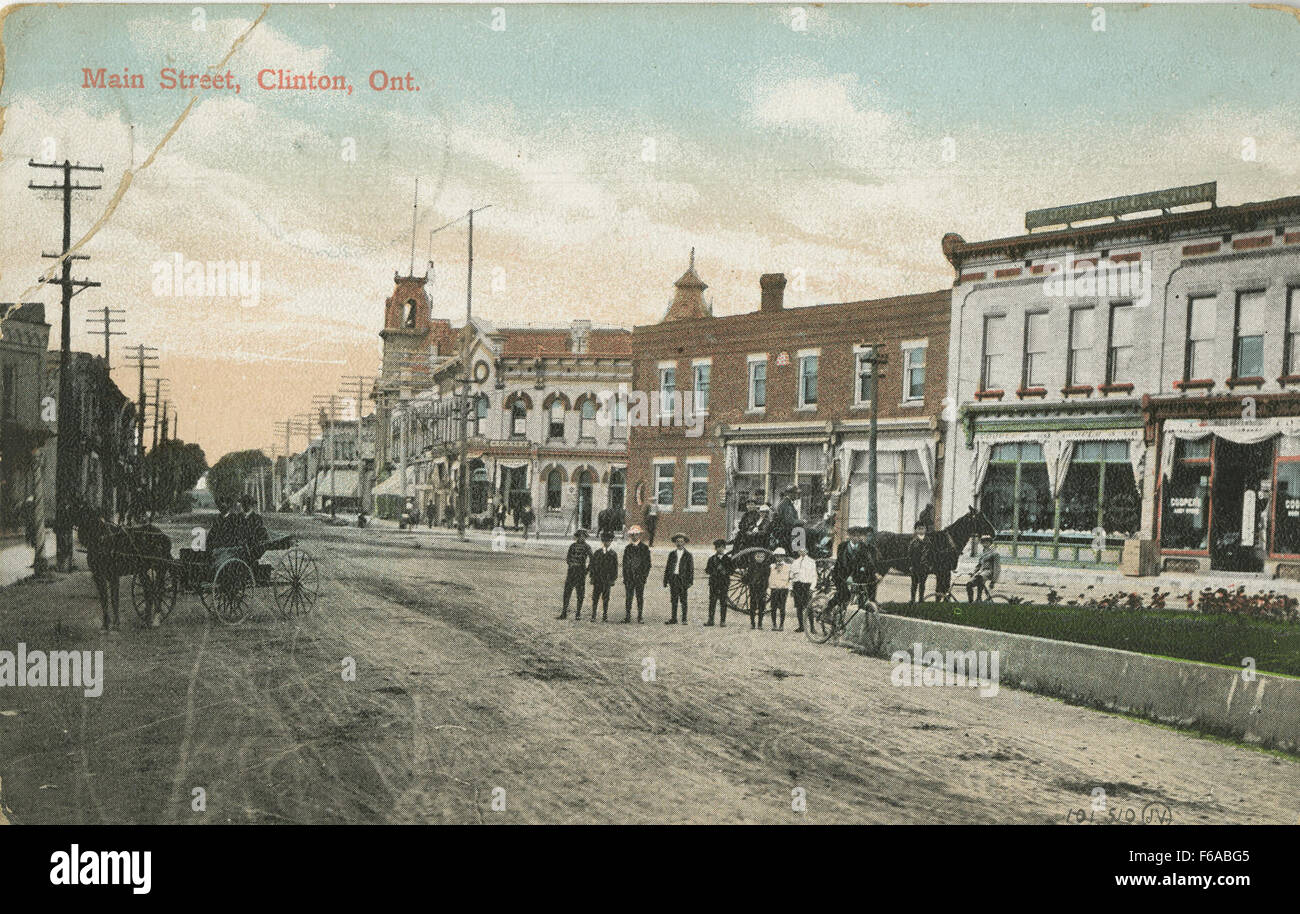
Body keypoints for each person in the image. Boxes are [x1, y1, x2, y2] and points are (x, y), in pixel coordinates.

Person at [833, 525, 877, 612]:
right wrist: (848, 576)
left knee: (866, 586)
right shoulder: (842, 546)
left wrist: (873, 572)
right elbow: (841, 563)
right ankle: (828, 609)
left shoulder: (863, 547)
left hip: (855, 575)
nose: (856, 538)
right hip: (841, 574)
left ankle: (864, 606)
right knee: (844, 594)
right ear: (849, 536)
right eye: (854, 535)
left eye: (858, 536)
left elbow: (867, 562)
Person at [557, 529, 592, 620]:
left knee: (580, 594)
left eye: (583, 536)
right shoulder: (572, 546)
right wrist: (571, 563)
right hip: (571, 572)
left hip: (580, 572)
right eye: (580, 536)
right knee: (567, 592)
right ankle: (564, 612)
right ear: (577, 537)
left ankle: (578, 613)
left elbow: (592, 560)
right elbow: (568, 558)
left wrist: (586, 570)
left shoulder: (587, 547)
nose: (582, 538)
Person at [622, 525, 651, 623]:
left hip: (639, 577)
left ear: (640, 535)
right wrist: (625, 577)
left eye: (636, 534)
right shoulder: (628, 548)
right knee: (628, 597)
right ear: (630, 536)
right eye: (632, 535)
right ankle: (627, 616)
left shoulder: (644, 548)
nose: (634, 536)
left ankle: (640, 616)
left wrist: (643, 576)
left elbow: (647, 564)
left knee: (639, 597)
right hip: (629, 577)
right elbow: (625, 564)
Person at [587, 531, 619, 622]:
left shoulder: (613, 554)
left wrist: (613, 579)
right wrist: (592, 577)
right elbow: (592, 565)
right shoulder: (597, 553)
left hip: (607, 579)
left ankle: (605, 615)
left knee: (606, 598)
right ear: (602, 541)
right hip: (597, 579)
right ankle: (593, 615)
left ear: (611, 541)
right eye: (604, 541)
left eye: (608, 541)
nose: (606, 543)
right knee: (595, 597)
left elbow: (615, 568)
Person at [662, 532, 693, 624]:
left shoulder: (688, 555)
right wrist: (666, 580)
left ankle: (684, 619)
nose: (679, 543)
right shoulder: (672, 554)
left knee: (684, 600)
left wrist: (690, 581)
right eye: (678, 541)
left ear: (684, 543)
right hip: (673, 578)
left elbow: (690, 569)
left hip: (682, 579)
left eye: (681, 541)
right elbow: (667, 567)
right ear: (675, 543)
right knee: (674, 599)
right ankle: (674, 618)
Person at [790, 545, 818, 632]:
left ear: (807, 551)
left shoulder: (811, 562)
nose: (802, 552)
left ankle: (812, 627)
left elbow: (814, 575)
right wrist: (791, 588)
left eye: (803, 550)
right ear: (798, 552)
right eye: (800, 551)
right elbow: (791, 576)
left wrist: (812, 587)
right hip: (797, 586)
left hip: (807, 585)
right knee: (799, 607)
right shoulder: (795, 562)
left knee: (809, 607)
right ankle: (801, 626)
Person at [704, 538, 731, 627]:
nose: (720, 549)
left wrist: (725, 571)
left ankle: (722, 621)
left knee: (723, 602)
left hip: (723, 583)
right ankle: (710, 620)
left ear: (724, 548)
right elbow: (707, 570)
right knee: (712, 601)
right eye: (718, 547)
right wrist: (713, 571)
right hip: (714, 583)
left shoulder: (727, 559)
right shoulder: (711, 559)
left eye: (722, 547)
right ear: (715, 548)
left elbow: (731, 571)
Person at [967, 534, 1001, 602]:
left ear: (990, 542)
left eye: (986, 542)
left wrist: (993, 581)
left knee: (980, 578)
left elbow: (997, 568)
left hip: (989, 572)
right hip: (981, 572)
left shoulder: (995, 553)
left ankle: (978, 598)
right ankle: (970, 602)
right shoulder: (983, 552)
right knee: (969, 584)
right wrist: (973, 572)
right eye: (982, 542)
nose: (984, 544)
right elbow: (979, 565)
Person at [766, 547, 791, 630]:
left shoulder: (788, 566)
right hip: (774, 588)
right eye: (777, 556)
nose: (779, 558)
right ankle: (774, 624)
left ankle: (781, 625)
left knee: (782, 608)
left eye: (781, 556)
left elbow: (791, 578)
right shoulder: (772, 566)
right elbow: (769, 577)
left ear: (783, 557)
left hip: (783, 589)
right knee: (773, 608)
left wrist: (788, 586)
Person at [771, 485, 801, 553]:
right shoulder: (786, 504)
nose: (797, 495)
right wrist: (802, 521)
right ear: (790, 494)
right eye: (795, 493)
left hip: (786, 531)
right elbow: (790, 521)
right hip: (786, 532)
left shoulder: (786, 502)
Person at [907, 521, 931, 603]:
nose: (921, 530)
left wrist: (929, 564)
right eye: (919, 529)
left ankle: (921, 599)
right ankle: (912, 599)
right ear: (916, 530)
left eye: (923, 529)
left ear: (925, 530)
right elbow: (910, 555)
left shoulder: (928, 542)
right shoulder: (913, 542)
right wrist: (911, 565)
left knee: (922, 584)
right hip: (915, 566)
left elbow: (931, 554)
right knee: (914, 583)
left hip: (924, 566)